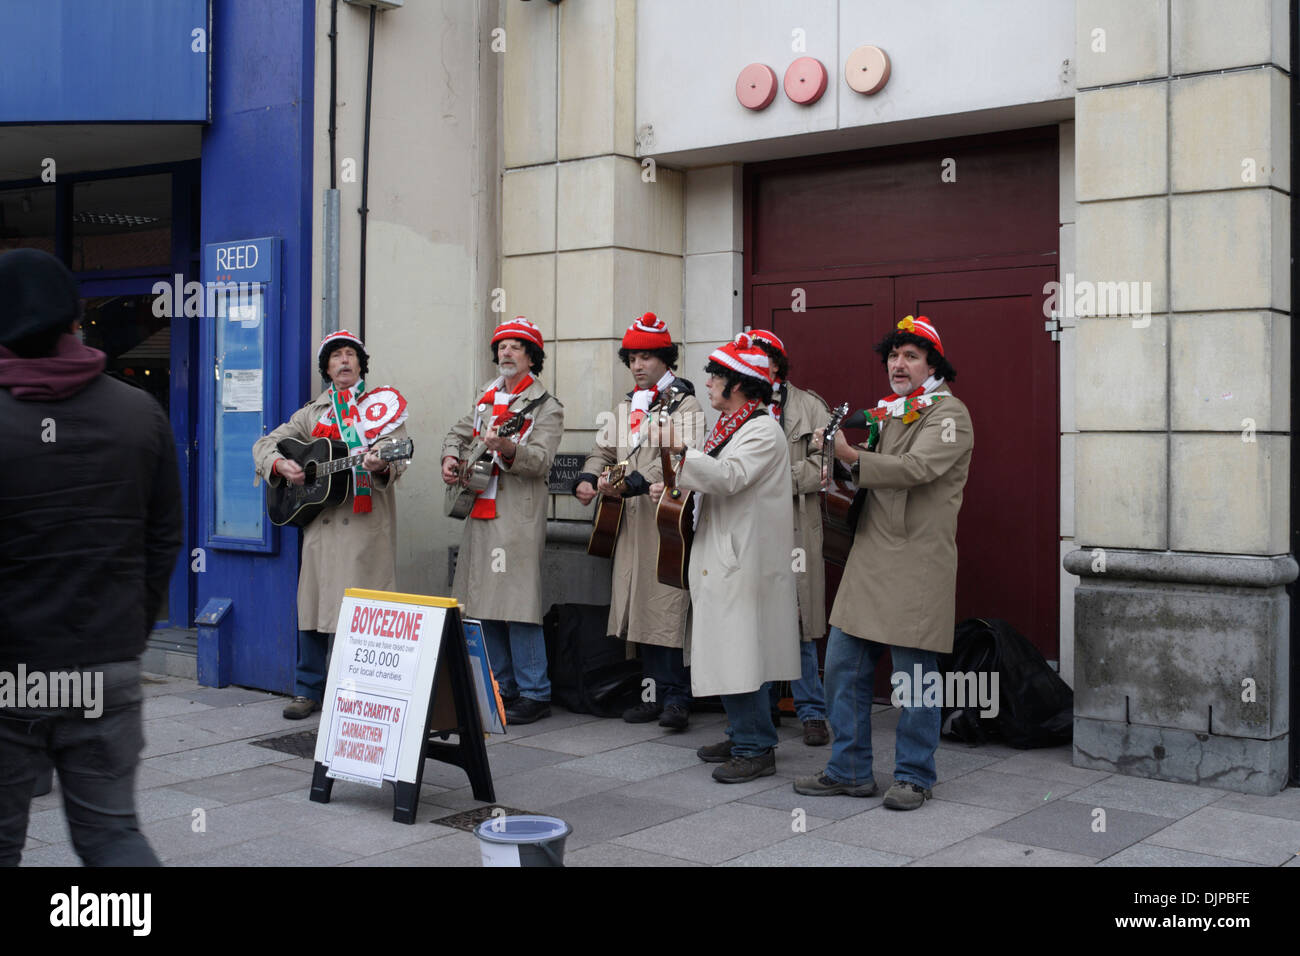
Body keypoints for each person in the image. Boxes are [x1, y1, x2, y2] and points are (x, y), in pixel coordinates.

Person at [0, 248, 182, 865]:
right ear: (72, 318)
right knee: (112, 835)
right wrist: (133, 629)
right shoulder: (138, 412)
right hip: (106, 663)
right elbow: (164, 538)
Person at [795, 315, 973, 810]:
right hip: (871, 553)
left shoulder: (949, 413)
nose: (898, 364)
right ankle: (848, 770)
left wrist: (850, 455)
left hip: (917, 559)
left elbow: (916, 470)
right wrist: (836, 460)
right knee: (843, 668)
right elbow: (867, 476)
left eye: (911, 356)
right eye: (893, 356)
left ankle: (914, 776)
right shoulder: (893, 412)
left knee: (914, 677)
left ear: (932, 364)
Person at [655, 333, 800, 784]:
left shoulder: (761, 428)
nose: (710, 382)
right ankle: (742, 734)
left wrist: (679, 452)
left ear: (737, 384)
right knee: (729, 650)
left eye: (716, 376)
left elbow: (731, 477)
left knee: (741, 652)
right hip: (725, 552)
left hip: (742, 557)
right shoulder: (733, 424)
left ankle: (756, 747)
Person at [254, 330, 409, 719]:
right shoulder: (312, 413)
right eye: (336, 356)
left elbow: (400, 458)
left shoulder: (380, 407)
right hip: (321, 527)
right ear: (326, 367)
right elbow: (266, 443)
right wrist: (280, 464)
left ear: (360, 364)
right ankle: (308, 690)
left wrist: (384, 462)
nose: (343, 361)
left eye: (350, 355)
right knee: (313, 608)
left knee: (359, 611)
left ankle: (356, 690)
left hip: (363, 526)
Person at [573, 313, 706, 730]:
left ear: (666, 360)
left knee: (666, 606)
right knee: (638, 610)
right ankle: (652, 693)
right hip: (631, 521)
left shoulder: (686, 405)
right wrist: (588, 476)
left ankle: (677, 698)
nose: (637, 365)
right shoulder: (626, 405)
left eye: (647, 357)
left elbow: (683, 455)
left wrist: (637, 479)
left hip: (666, 519)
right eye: (632, 357)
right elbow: (603, 452)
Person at [442, 317, 564, 725]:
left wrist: (509, 448)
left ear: (532, 357)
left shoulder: (546, 406)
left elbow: (542, 460)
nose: (506, 353)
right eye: (501, 346)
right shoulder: (486, 396)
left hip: (515, 513)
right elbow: (458, 433)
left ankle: (535, 691)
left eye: (515, 346)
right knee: (483, 601)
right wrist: (449, 457)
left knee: (517, 603)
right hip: (480, 507)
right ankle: (502, 686)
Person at [749, 329, 832, 747]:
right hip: (752, 528)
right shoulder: (739, 408)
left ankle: (812, 712)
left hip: (798, 525)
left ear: (777, 364)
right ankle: (761, 710)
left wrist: (778, 479)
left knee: (801, 622)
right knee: (759, 619)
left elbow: (826, 465)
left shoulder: (809, 405)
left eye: (758, 358)